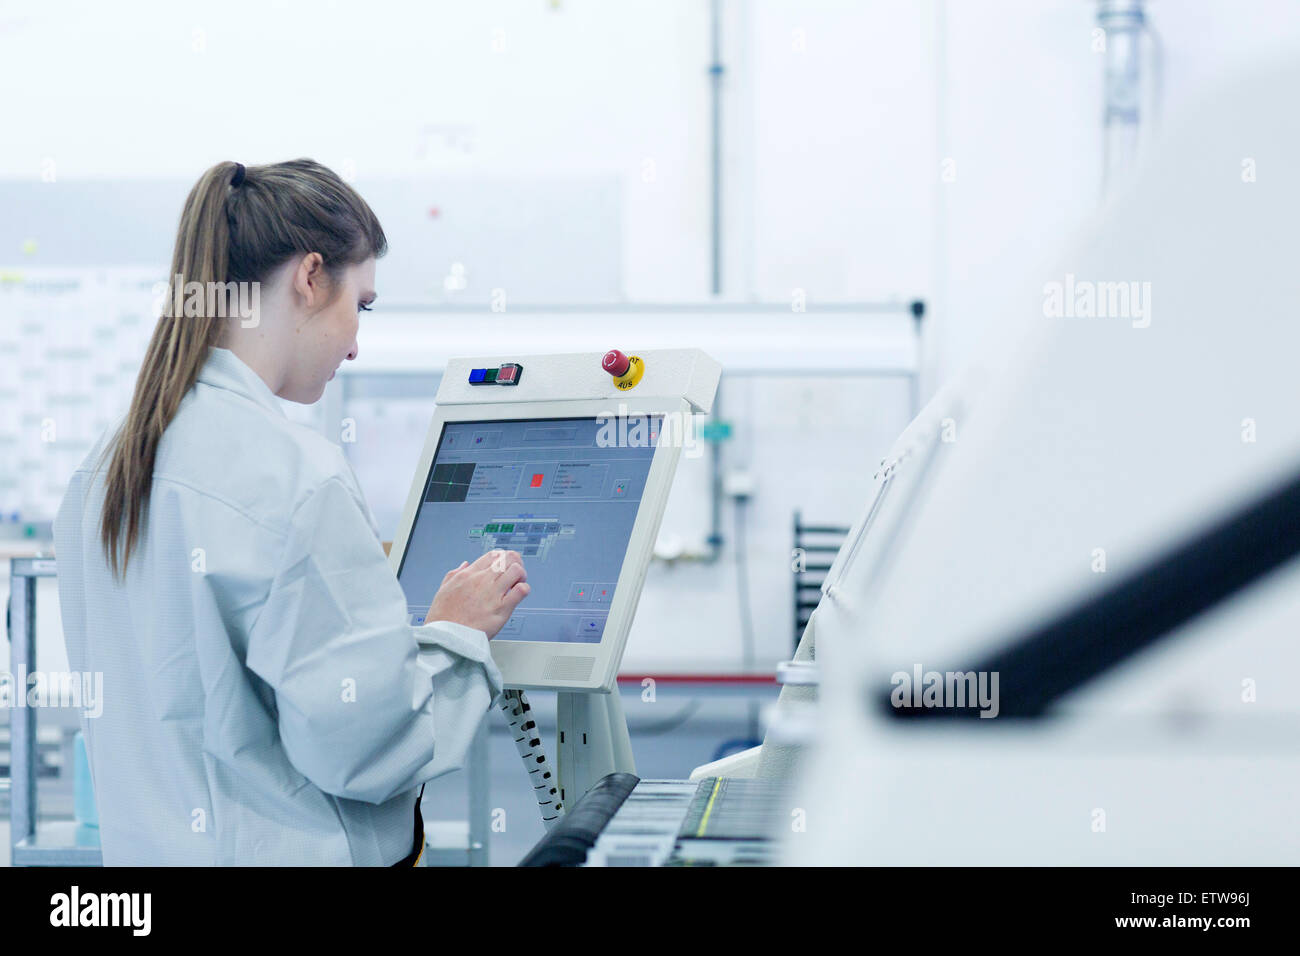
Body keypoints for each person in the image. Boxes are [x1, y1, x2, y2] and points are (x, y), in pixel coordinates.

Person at [53, 159, 529, 865]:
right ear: (309, 278)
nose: (357, 343)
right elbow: (366, 749)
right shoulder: (294, 474)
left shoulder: (106, 466)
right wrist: (454, 640)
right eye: (359, 305)